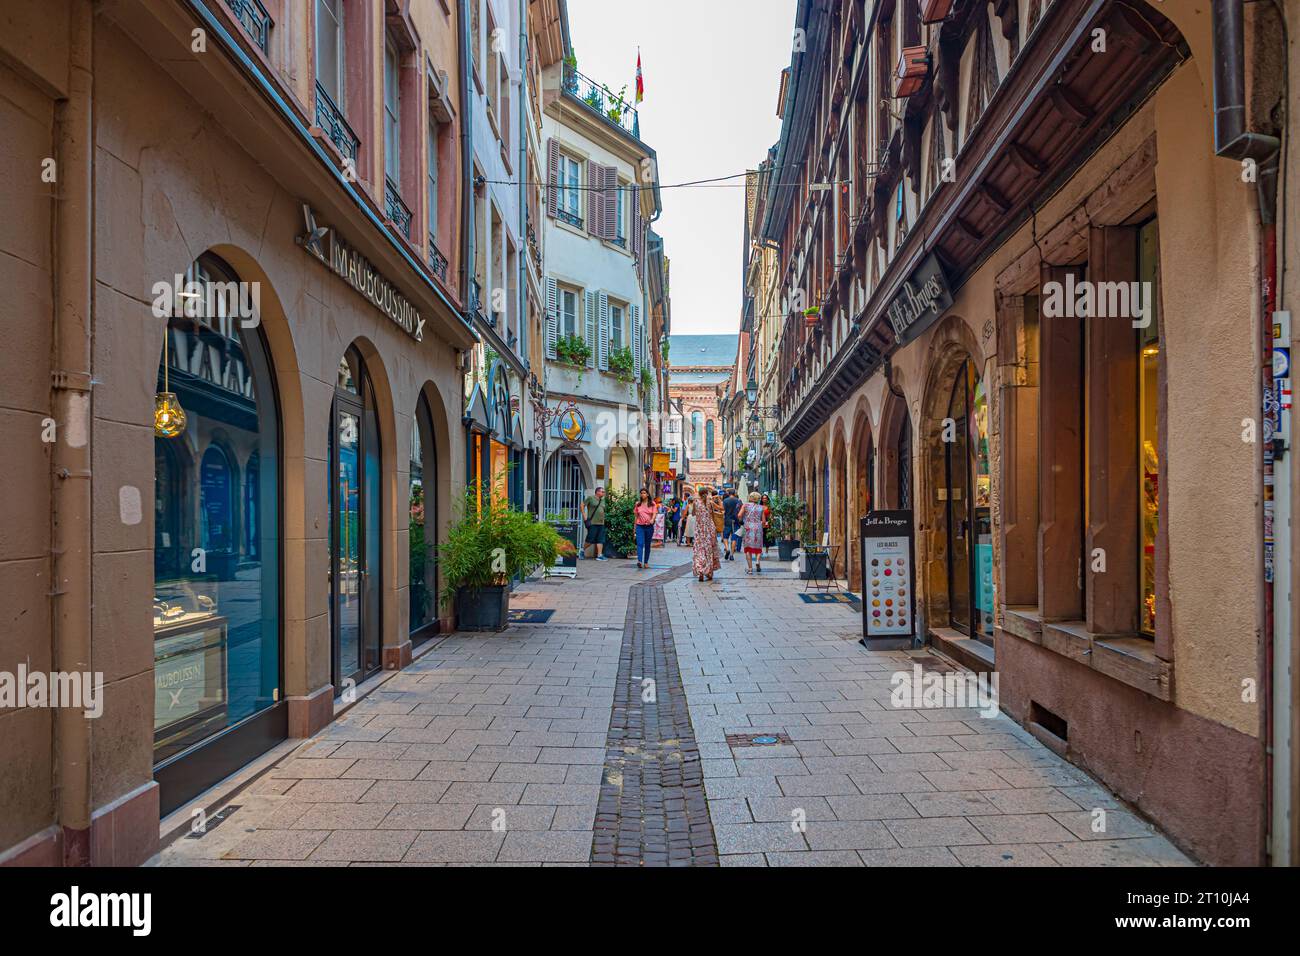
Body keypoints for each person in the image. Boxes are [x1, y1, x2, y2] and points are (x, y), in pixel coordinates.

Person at [691, 486, 721, 581]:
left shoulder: (696, 503)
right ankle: (709, 572)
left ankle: (700, 571)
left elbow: (693, 514)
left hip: (700, 529)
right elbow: (720, 509)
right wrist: (718, 500)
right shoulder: (710, 503)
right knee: (710, 550)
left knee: (699, 550)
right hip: (709, 528)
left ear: (699, 494)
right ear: (707, 494)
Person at [739, 491, 767, 574]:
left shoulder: (745, 505)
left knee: (748, 548)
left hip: (748, 527)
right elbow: (764, 521)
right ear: (758, 499)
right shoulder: (761, 507)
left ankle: (750, 569)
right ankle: (757, 561)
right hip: (758, 527)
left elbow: (739, 515)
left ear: (750, 498)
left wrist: (742, 521)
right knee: (758, 546)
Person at [583, 486, 608, 561]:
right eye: (602, 491)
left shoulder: (603, 500)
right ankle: (581, 550)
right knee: (590, 540)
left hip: (601, 523)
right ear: (597, 492)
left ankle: (599, 555)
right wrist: (584, 516)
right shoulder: (591, 498)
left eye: (604, 492)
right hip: (592, 523)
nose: (604, 493)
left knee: (600, 539)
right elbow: (582, 505)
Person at [633, 488, 656, 569]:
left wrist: (652, 519)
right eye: (641, 493)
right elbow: (635, 517)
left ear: (647, 494)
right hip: (640, 526)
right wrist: (634, 529)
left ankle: (646, 562)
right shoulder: (638, 504)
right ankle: (639, 561)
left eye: (644, 493)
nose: (642, 494)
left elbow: (654, 514)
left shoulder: (652, 504)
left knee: (647, 545)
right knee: (640, 543)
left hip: (649, 527)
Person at [722, 489, 742, 561]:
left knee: (725, 537)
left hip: (727, 520)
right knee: (734, 537)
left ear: (728, 493)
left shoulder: (725, 501)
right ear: (735, 493)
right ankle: (732, 555)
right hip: (736, 521)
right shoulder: (738, 501)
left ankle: (727, 549)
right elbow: (741, 511)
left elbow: (723, 510)